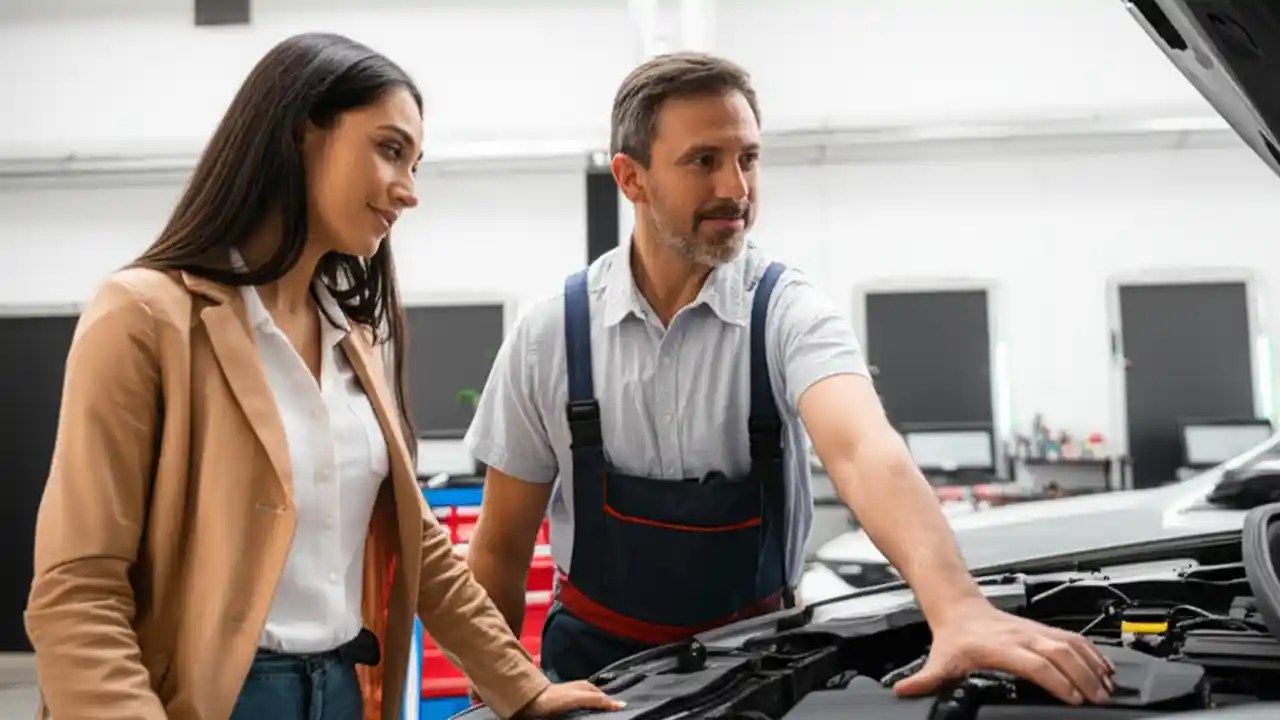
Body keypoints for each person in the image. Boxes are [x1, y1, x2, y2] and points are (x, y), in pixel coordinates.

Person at [464, 51, 1118, 708]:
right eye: (704, 161)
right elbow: (499, 550)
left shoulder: (786, 310)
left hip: (759, 669)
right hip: (595, 678)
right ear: (631, 179)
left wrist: (957, 607)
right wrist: (495, 694)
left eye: (748, 158)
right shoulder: (549, 336)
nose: (737, 189)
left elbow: (863, 449)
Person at [23, 32, 622, 720]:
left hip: (344, 692)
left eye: (416, 163)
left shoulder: (353, 336)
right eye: (391, 149)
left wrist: (525, 688)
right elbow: (79, 589)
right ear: (303, 131)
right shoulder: (144, 317)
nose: (410, 191)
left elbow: (419, 544)